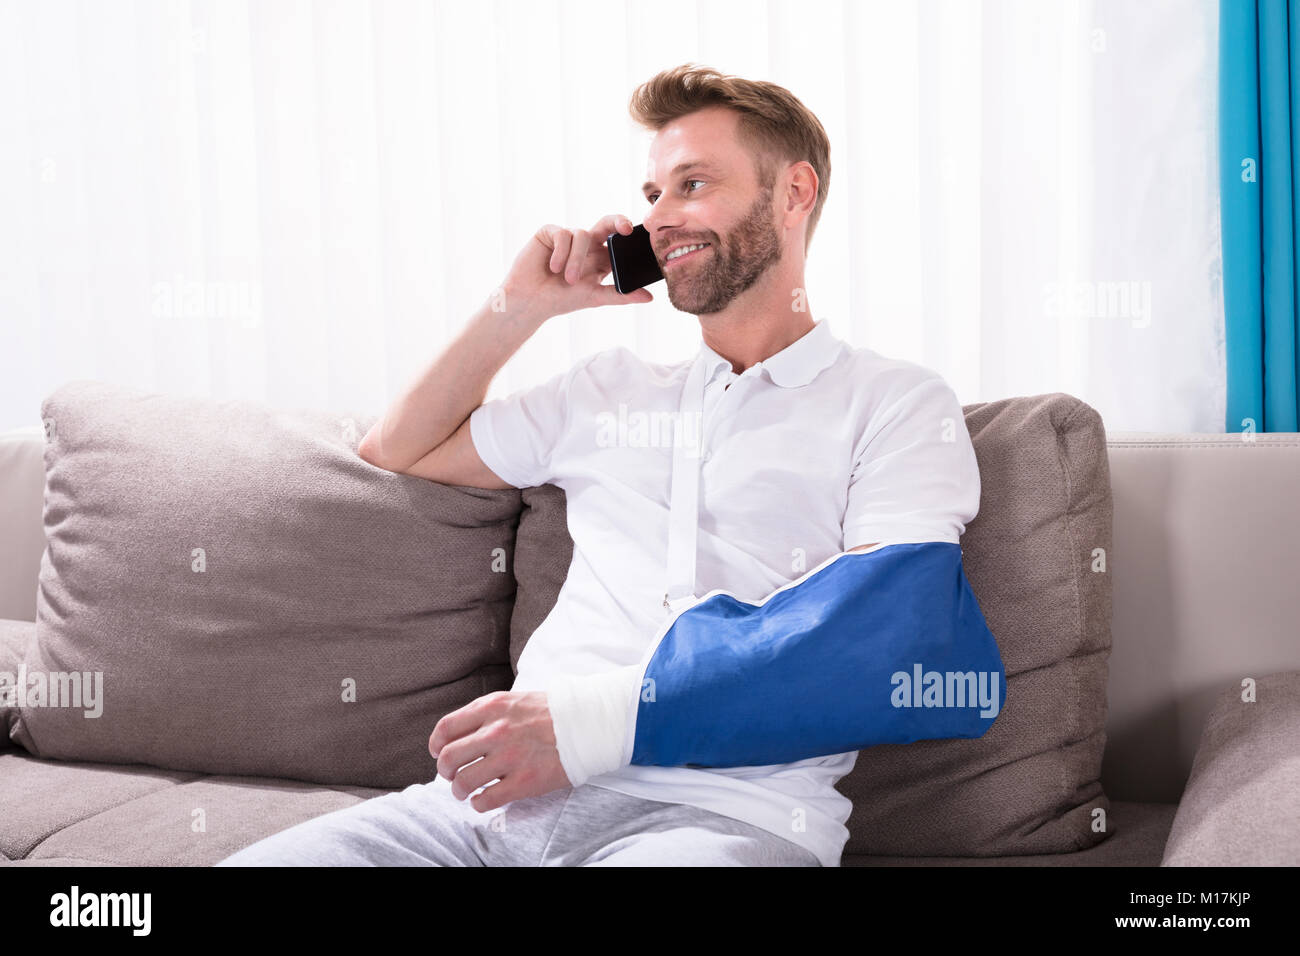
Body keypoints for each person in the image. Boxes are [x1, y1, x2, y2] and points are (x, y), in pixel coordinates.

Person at [216, 63, 980, 868]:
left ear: (794, 193)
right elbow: (397, 449)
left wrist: (584, 729)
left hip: (719, 821)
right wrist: (525, 305)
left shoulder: (894, 403)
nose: (661, 218)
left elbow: (893, 632)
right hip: (482, 816)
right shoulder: (605, 393)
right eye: (652, 195)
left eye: (692, 184)